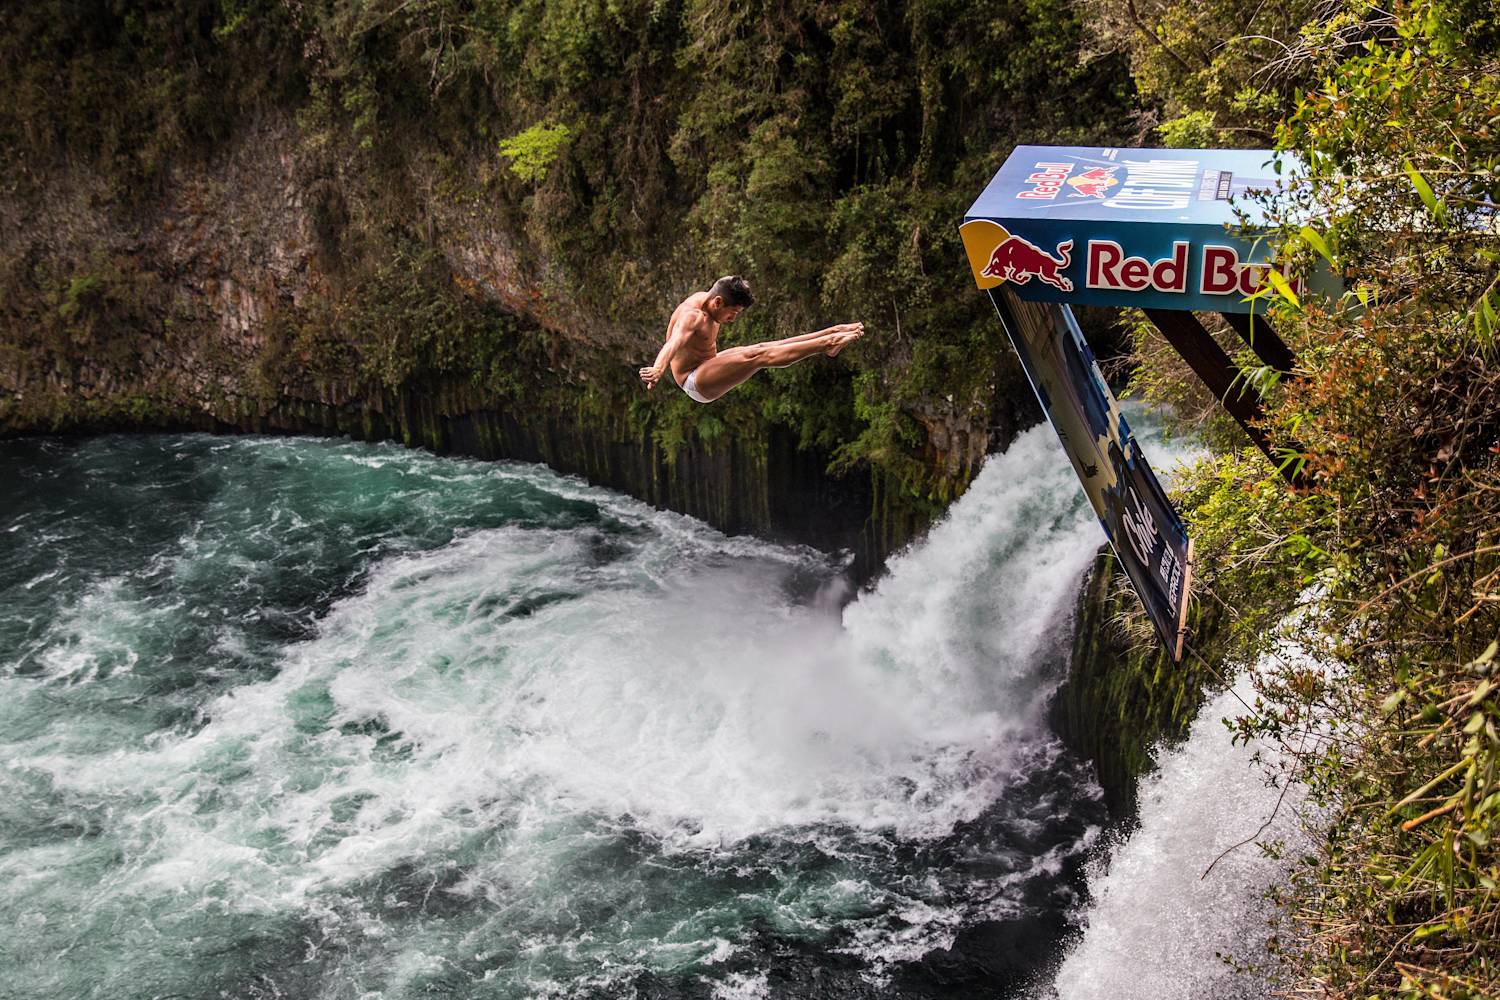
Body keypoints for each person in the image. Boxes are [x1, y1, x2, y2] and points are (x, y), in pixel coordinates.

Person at [638, 275, 863, 403]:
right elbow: (674, 342)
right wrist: (658, 368)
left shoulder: (706, 298)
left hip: (707, 365)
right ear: (718, 302)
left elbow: (729, 282)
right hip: (695, 381)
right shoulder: (693, 317)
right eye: (732, 313)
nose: (732, 319)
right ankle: (828, 344)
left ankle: (831, 333)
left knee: (762, 347)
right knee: (758, 356)